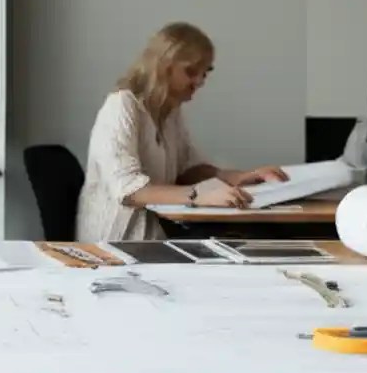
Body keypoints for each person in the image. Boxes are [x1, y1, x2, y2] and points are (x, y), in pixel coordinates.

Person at [75, 22, 289, 243]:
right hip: (114, 245)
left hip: (155, 239)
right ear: (163, 66)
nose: (200, 81)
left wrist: (238, 177)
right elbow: (129, 190)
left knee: (254, 239)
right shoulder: (121, 105)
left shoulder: (170, 110)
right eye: (191, 71)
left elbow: (189, 168)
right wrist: (198, 195)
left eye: (205, 73)